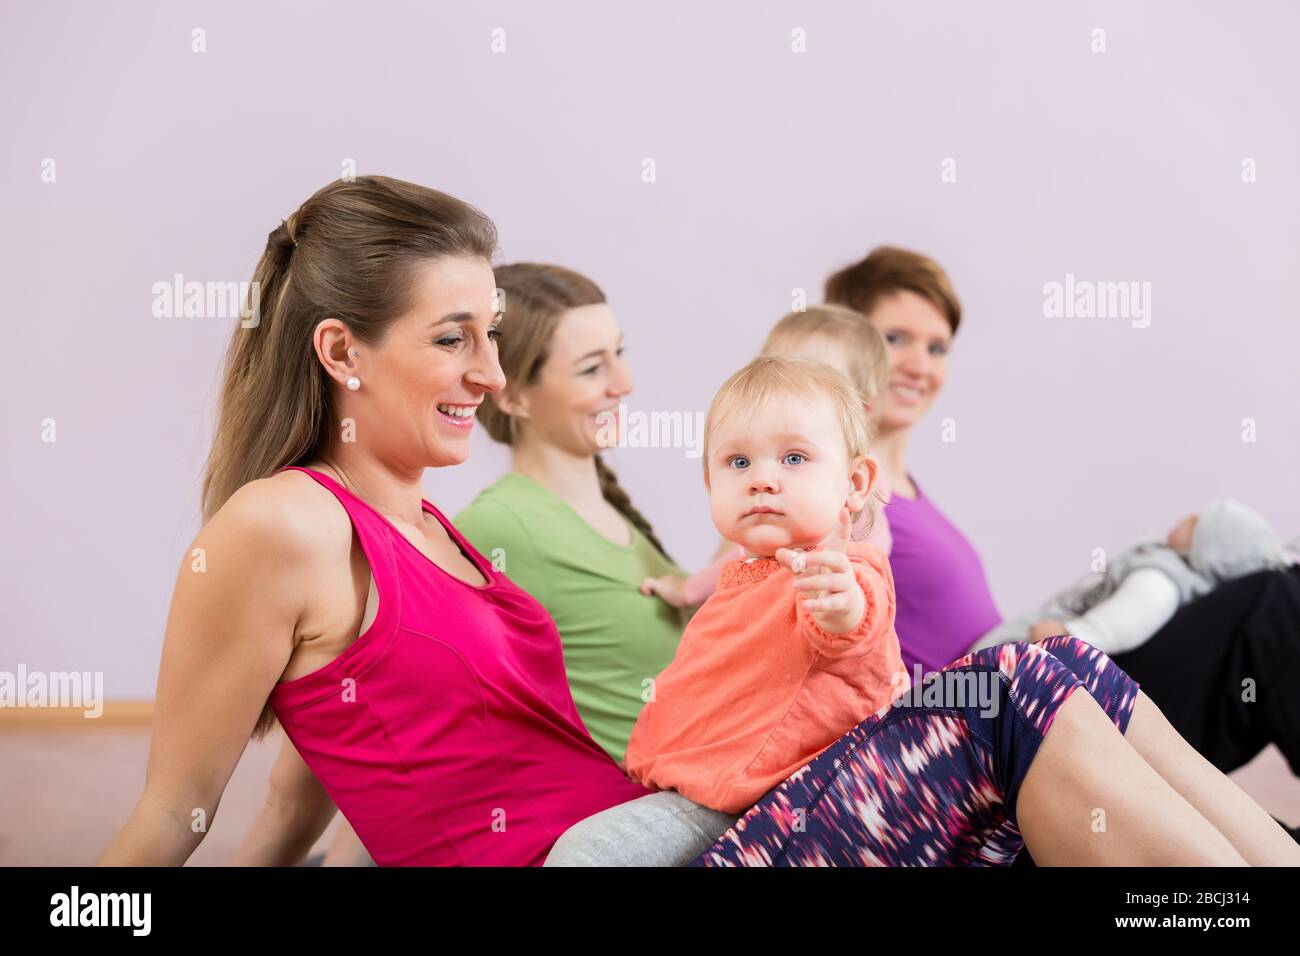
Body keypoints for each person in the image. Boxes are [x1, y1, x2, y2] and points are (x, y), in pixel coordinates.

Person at [107, 183, 1298, 865]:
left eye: (490, 331)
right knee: (1014, 696)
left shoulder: (439, 532)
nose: (486, 368)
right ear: (340, 354)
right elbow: (177, 806)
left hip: (676, 833)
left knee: (1050, 663)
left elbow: (308, 789)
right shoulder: (282, 525)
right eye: (453, 336)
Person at [625, 357, 906, 814]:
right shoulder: (741, 576)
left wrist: (842, 606)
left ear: (855, 483)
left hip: (773, 806)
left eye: (794, 458)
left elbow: (852, 624)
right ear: (710, 481)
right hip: (690, 785)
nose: (761, 480)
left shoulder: (841, 568)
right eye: (738, 462)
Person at [974, 498, 1296, 654]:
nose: (1186, 517)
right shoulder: (1165, 563)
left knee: (986, 667)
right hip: (1044, 631)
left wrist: (1068, 634)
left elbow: (1119, 626)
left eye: (1197, 522)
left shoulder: (1162, 580)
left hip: (1047, 639)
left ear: (1208, 549)